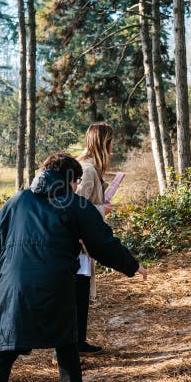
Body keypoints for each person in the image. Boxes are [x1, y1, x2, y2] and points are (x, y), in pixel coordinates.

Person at [0, 153, 146, 382]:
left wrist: (12, 266)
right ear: (70, 181)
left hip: (15, 285)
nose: (78, 187)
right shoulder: (74, 204)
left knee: (3, 354)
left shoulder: (16, 201)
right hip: (56, 281)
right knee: (66, 340)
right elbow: (102, 242)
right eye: (77, 182)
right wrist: (131, 265)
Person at [74, 122, 115, 354]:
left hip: (85, 243)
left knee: (81, 293)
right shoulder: (87, 170)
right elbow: (77, 207)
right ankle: (70, 346)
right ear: (103, 143)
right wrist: (102, 209)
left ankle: (78, 341)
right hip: (78, 245)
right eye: (110, 142)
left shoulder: (92, 170)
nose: (113, 147)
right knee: (77, 293)